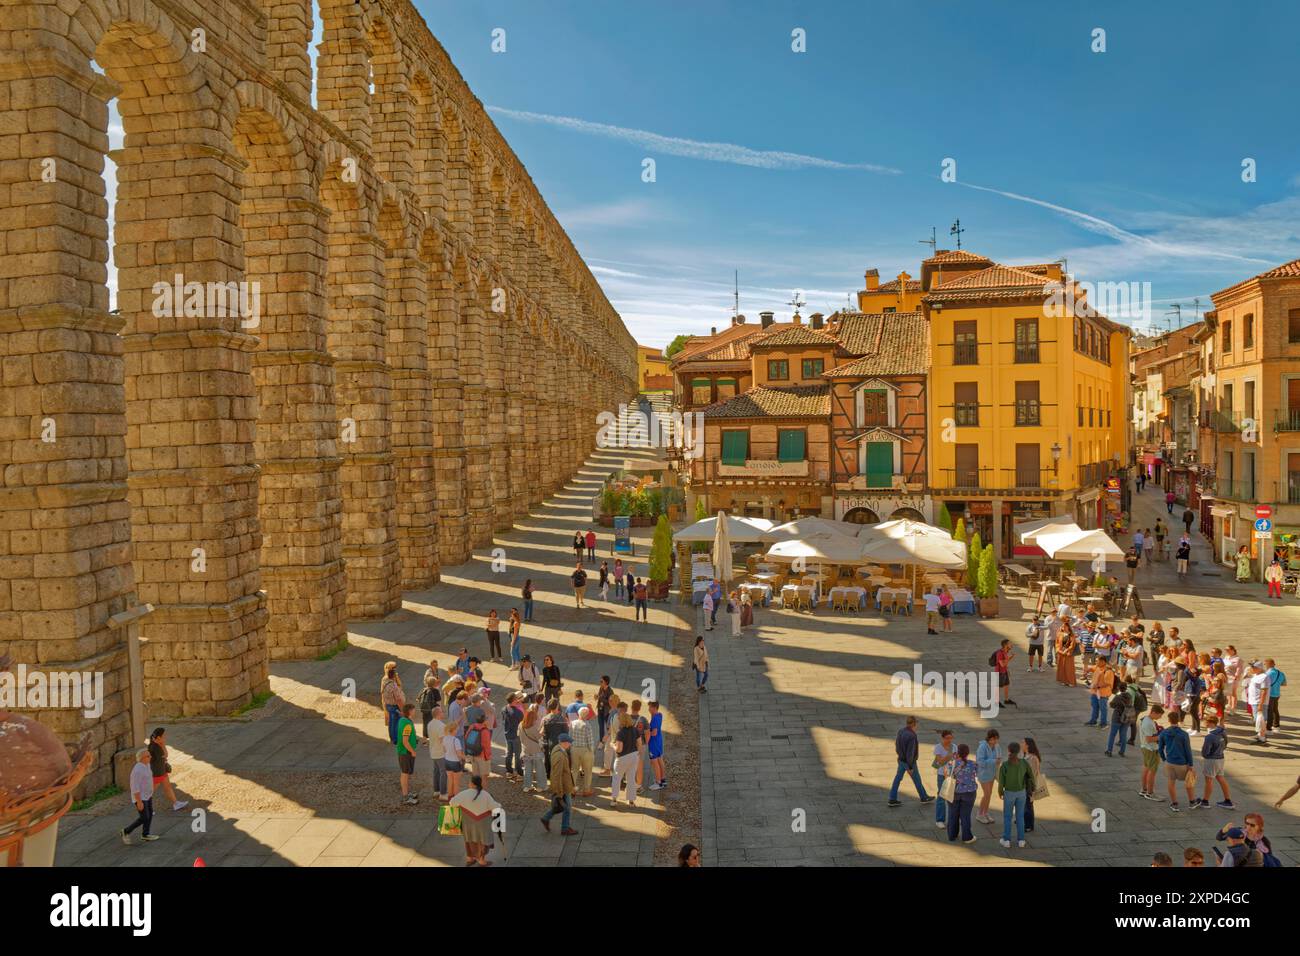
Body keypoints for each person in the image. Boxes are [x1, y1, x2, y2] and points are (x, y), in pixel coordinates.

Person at [450, 775, 501, 866]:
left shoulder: (464, 793)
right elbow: (495, 807)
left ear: (472, 784)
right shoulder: (485, 795)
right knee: (483, 841)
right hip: (483, 824)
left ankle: (470, 858)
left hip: (468, 823)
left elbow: (452, 803)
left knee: (469, 840)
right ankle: (481, 860)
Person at [887, 716, 933, 807]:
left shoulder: (901, 731)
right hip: (909, 762)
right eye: (916, 724)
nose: (917, 726)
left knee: (897, 779)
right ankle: (924, 797)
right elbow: (910, 753)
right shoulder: (912, 736)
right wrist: (910, 766)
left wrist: (900, 756)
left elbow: (897, 745)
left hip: (901, 759)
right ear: (913, 724)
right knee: (917, 779)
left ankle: (892, 798)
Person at [997, 741, 1034, 848]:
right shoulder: (1024, 763)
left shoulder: (1005, 765)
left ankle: (1006, 839)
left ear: (1008, 751)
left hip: (1009, 793)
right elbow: (1031, 776)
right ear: (1019, 751)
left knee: (1007, 817)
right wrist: (1032, 788)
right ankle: (1021, 840)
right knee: (1020, 816)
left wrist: (1000, 792)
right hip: (1021, 793)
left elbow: (1001, 782)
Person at [540, 733, 578, 835]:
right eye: (569, 743)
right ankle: (565, 828)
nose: (570, 745)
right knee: (567, 808)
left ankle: (546, 818)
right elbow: (557, 775)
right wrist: (559, 792)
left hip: (565, 786)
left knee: (562, 806)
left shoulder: (558, 749)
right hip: (563, 787)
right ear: (564, 743)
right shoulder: (560, 755)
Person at [121, 748, 160, 845]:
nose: (150, 757)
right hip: (141, 797)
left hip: (147, 796)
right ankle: (126, 831)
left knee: (149, 814)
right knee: (144, 817)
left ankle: (145, 834)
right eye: (148, 756)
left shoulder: (147, 765)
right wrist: (139, 801)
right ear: (142, 758)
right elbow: (134, 787)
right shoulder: (137, 770)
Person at [1158, 710, 1195, 811]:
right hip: (1182, 763)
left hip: (1170, 762)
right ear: (1178, 720)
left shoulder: (1164, 733)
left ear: (1169, 720)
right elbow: (1188, 751)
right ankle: (1192, 802)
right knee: (1189, 782)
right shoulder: (1183, 734)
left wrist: (1164, 759)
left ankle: (1174, 804)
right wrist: (1190, 764)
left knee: (1171, 782)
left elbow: (1160, 748)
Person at [943, 743, 979, 844]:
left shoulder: (951, 763)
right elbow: (978, 774)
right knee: (965, 815)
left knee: (952, 814)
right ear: (967, 753)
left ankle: (952, 835)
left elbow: (946, 775)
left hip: (954, 792)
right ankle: (967, 837)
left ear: (957, 753)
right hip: (969, 792)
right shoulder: (973, 764)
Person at [1194, 715, 1233, 809]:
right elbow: (1226, 743)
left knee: (1209, 781)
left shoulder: (1210, 737)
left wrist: (1205, 755)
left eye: (1205, 722)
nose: (1204, 723)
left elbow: (1205, 752)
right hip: (1221, 758)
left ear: (1210, 723)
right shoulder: (1222, 730)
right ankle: (1228, 800)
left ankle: (1205, 801)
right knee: (1221, 778)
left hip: (1211, 760)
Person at [146, 728, 188, 812]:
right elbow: (165, 755)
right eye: (163, 736)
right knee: (149, 792)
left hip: (161, 770)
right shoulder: (155, 747)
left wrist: (162, 744)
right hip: (157, 772)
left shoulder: (155, 745)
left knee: (167, 787)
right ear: (158, 738)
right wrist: (163, 745)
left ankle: (176, 804)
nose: (165, 737)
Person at [611, 713, 641, 807]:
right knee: (631, 779)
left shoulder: (620, 733)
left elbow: (619, 749)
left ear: (622, 721)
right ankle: (631, 801)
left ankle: (614, 800)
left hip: (622, 758)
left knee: (616, 778)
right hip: (634, 756)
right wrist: (637, 754)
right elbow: (639, 743)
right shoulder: (635, 730)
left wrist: (612, 745)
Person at [931, 729, 957, 829]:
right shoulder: (938, 747)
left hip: (952, 774)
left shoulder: (954, 746)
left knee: (951, 797)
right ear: (942, 738)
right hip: (942, 774)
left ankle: (952, 819)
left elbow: (956, 760)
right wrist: (948, 756)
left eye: (951, 738)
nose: (949, 740)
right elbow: (940, 762)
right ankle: (939, 820)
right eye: (947, 738)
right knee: (941, 797)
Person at [569, 706, 597, 796]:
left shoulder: (572, 723)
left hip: (574, 749)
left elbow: (569, 737)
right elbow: (590, 741)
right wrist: (592, 752)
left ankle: (572, 789)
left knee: (574, 770)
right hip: (585, 751)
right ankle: (586, 790)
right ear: (586, 715)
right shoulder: (587, 725)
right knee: (588, 771)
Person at [1138, 703, 1164, 801]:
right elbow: (1149, 739)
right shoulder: (1148, 723)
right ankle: (1150, 793)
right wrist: (1162, 735)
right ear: (1153, 712)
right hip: (1151, 749)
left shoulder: (1146, 719)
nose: (1160, 717)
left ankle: (1144, 789)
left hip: (1145, 747)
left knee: (1146, 768)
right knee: (1152, 772)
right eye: (1159, 715)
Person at [975, 730, 1002, 824]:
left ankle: (985, 812)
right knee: (986, 794)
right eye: (993, 739)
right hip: (984, 774)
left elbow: (999, 756)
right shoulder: (982, 747)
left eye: (996, 739)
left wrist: (998, 760)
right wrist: (994, 761)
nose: (995, 741)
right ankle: (979, 814)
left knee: (989, 794)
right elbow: (980, 762)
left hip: (992, 773)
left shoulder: (997, 746)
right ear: (989, 738)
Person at [396, 702, 420, 806]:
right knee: (405, 774)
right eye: (414, 709)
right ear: (410, 711)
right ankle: (405, 797)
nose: (415, 711)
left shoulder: (403, 720)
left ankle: (406, 793)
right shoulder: (407, 725)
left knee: (405, 773)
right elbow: (405, 742)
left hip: (404, 752)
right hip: (406, 753)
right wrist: (413, 751)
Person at [520, 702, 545, 793]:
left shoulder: (520, 725)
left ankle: (527, 786)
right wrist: (542, 729)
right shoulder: (533, 727)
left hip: (525, 750)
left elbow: (519, 736)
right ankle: (540, 786)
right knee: (539, 769)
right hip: (536, 750)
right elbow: (538, 737)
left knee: (527, 769)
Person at [1105, 678, 1135, 756]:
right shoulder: (1129, 696)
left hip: (1117, 718)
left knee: (1112, 735)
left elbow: (1111, 704)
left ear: (1119, 688)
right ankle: (1122, 752)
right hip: (1126, 718)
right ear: (1126, 688)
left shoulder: (1118, 697)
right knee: (1123, 735)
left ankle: (1109, 751)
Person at [541, 696, 568, 777]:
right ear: (557, 706)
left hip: (548, 743)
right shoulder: (562, 719)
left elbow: (543, 732)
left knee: (547, 759)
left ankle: (548, 773)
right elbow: (566, 733)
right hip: (559, 744)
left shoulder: (545, 719)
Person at [1245, 661, 1270, 744]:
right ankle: (1260, 734)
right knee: (1258, 719)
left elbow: (1264, 691)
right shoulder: (1256, 675)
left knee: (1260, 719)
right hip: (1253, 700)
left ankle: (1262, 737)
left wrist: (1260, 704)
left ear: (1258, 668)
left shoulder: (1264, 677)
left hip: (1259, 701)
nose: (1252, 669)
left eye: (1253, 668)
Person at [500, 692, 524, 780]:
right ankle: (519, 773)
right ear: (514, 700)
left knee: (508, 754)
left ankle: (509, 771)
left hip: (507, 734)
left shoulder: (503, 709)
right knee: (517, 755)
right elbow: (522, 723)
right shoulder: (518, 712)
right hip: (516, 736)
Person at [1086, 656, 1115, 729]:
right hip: (1095, 692)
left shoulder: (1108, 671)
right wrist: (1088, 669)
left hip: (1103, 693)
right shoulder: (1098, 667)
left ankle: (1103, 723)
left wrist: (1098, 686)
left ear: (1103, 662)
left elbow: (1107, 683)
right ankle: (1093, 721)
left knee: (1103, 708)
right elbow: (1092, 668)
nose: (1096, 662)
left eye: (1097, 661)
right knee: (1094, 707)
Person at [427, 705, 448, 801]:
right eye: (442, 712)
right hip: (440, 753)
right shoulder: (441, 725)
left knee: (436, 772)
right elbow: (442, 740)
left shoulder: (430, 724)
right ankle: (443, 793)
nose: (443, 713)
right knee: (443, 772)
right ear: (439, 714)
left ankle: (436, 790)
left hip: (433, 751)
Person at [1022, 737, 1043, 833]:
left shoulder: (1033, 758)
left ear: (1027, 745)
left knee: (1028, 806)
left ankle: (1029, 825)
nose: (1021, 744)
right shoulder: (1026, 755)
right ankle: (1024, 821)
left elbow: (1033, 773)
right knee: (1025, 804)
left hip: (1029, 785)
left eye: (1023, 743)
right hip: (1024, 784)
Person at [381, 661, 404, 745]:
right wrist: (402, 708)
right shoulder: (387, 680)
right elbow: (397, 697)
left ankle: (392, 737)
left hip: (389, 704)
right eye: (393, 668)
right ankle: (395, 739)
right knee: (395, 722)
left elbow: (400, 684)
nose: (395, 669)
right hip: (394, 704)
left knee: (392, 722)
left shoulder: (390, 678)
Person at [442, 718, 464, 800]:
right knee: (456, 782)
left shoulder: (445, 738)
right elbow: (459, 754)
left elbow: (444, 750)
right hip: (455, 762)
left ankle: (450, 796)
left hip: (447, 761)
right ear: (454, 730)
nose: (457, 731)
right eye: (457, 729)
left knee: (450, 779)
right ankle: (456, 799)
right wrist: (466, 758)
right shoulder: (456, 740)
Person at [647, 700, 667, 790]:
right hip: (659, 741)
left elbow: (654, 733)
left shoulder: (654, 718)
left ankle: (658, 782)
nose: (648, 709)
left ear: (654, 708)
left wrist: (646, 733)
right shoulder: (659, 715)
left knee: (655, 763)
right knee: (660, 760)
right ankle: (663, 779)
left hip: (653, 743)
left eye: (650, 707)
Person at [1266, 658, 1287, 732]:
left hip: (1270, 694)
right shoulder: (1280, 673)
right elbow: (1284, 684)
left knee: (1269, 711)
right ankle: (1276, 726)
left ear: (1268, 664)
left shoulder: (1268, 674)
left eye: (1266, 664)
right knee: (1275, 710)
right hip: (1277, 694)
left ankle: (1268, 728)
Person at [994, 639, 1016, 707]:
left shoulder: (1005, 652)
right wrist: (1007, 659)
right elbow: (1002, 664)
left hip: (1004, 671)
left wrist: (1011, 657)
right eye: (1010, 644)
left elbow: (1005, 663)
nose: (1011, 645)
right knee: (998, 687)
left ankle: (1006, 700)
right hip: (999, 672)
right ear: (1005, 645)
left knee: (1006, 685)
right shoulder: (1000, 653)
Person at [596, 676, 613, 742]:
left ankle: (610, 740)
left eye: (601, 681)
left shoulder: (610, 691)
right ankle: (601, 741)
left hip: (606, 712)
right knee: (601, 727)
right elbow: (600, 696)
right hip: (600, 710)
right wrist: (597, 697)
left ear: (606, 682)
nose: (600, 683)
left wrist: (600, 698)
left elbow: (610, 702)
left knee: (608, 727)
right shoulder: (601, 688)